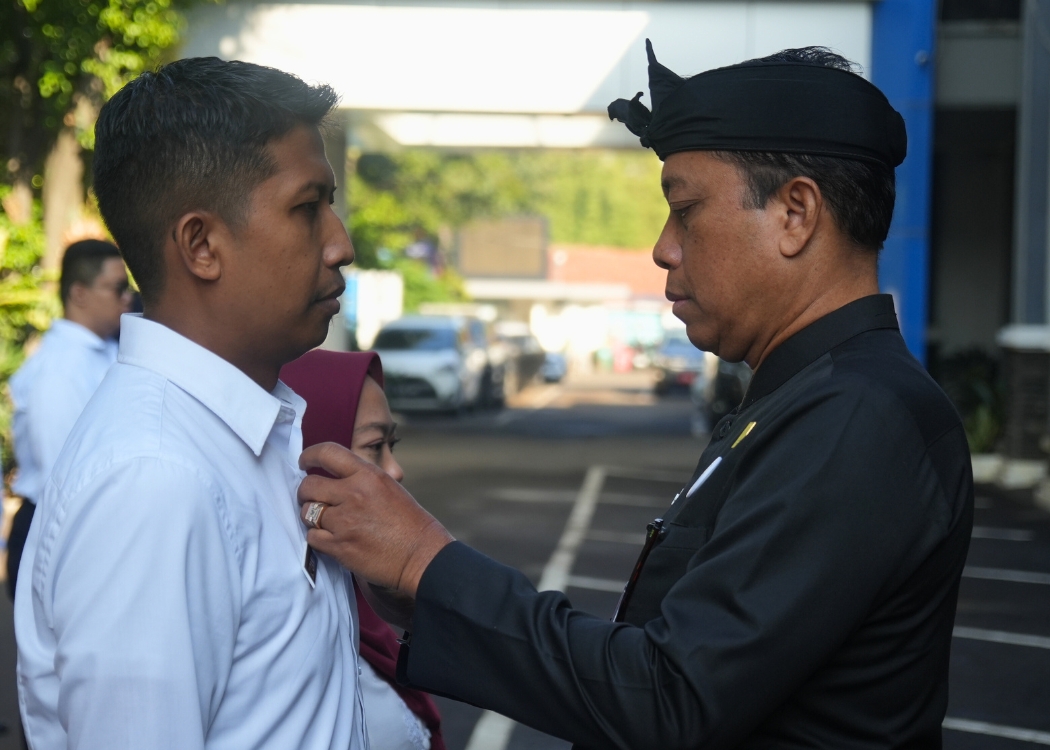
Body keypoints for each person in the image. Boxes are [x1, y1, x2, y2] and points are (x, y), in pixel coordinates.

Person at [295, 43, 974, 749]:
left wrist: (424, 563)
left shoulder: (857, 415)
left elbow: (672, 698)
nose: (662, 248)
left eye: (685, 210)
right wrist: (421, 589)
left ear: (795, 214)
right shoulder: (807, 398)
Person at [15, 58, 366, 749]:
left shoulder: (237, 432)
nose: (340, 243)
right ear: (201, 245)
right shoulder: (156, 477)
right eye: (307, 207)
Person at [280, 348, 447, 750]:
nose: (394, 470)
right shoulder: (281, 619)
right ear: (312, 446)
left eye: (393, 445)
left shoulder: (364, 601)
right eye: (374, 447)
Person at [6, 239, 132, 599]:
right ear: (79, 293)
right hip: (60, 532)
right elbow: (65, 482)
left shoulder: (105, 349)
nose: (127, 298)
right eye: (117, 288)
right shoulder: (60, 371)